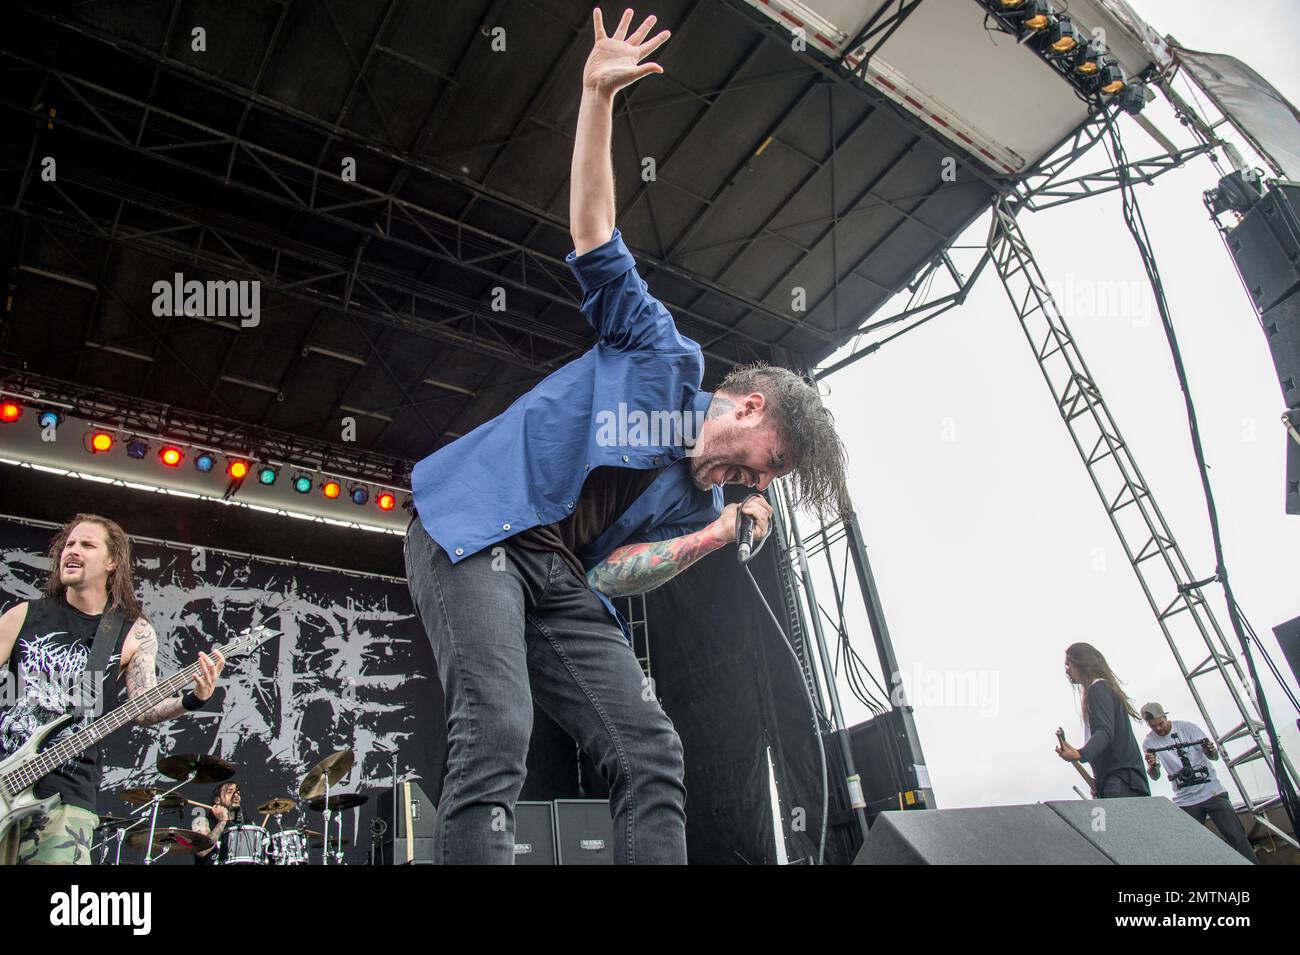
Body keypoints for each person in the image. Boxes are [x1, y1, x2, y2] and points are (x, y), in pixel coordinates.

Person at [404, 8, 851, 864]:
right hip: (477, 524)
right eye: (778, 464)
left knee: (652, 749)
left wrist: (721, 530)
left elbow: (613, 572)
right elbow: (594, 238)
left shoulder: (700, 496)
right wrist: (596, 97)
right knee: (498, 722)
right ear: (753, 408)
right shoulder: (662, 357)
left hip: (559, 575)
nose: (767, 480)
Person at [0, 514, 224, 865]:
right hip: (4, 777)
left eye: (87, 545)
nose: (72, 551)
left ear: (112, 561)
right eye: (69, 544)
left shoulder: (133, 632)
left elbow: (144, 708)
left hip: (66, 797)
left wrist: (194, 698)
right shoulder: (23, 615)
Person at [1140, 702, 1255, 862]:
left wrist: (1210, 750)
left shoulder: (1188, 728)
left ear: (1165, 717)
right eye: (1154, 726)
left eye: (1160, 723)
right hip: (1185, 800)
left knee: (1237, 838)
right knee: (1190, 847)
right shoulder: (1148, 742)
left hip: (1212, 792)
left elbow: (1214, 757)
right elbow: (1154, 776)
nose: (1158, 728)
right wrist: (1152, 765)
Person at [1055, 643, 1150, 798]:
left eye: (1068, 664)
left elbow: (1105, 732)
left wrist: (1080, 754)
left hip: (1121, 780)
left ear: (1081, 663)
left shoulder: (1098, 689)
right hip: (1116, 780)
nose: (1066, 670)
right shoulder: (1100, 689)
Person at [192, 781, 242, 866]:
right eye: (230, 792)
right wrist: (222, 821)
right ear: (217, 800)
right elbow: (201, 852)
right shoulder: (202, 821)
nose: (236, 796)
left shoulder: (246, 823)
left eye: (238, 793)